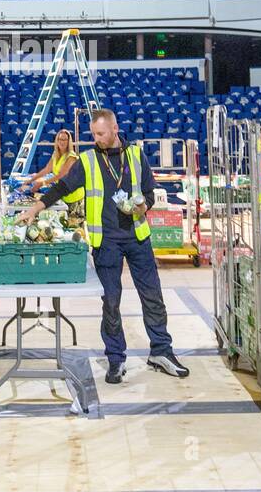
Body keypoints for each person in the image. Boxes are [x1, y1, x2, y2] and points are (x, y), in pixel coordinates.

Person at [18, 108, 189, 384]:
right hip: (106, 242)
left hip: (138, 237)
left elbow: (149, 191)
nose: (96, 138)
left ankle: (161, 351)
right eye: (93, 134)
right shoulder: (87, 160)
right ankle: (115, 359)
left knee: (153, 296)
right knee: (111, 303)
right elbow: (61, 187)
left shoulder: (135, 155)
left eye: (100, 133)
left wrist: (144, 205)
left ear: (114, 129)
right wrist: (36, 208)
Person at [22, 129, 83, 208]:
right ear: (57, 141)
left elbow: (61, 175)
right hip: (63, 193)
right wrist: (31, 180)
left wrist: (42, 183)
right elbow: (46, 170)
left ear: (69, 142)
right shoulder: (56, 154)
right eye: (60, 139)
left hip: (74, 196)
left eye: (65, 140)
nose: (62, 142)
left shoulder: (71, 157)